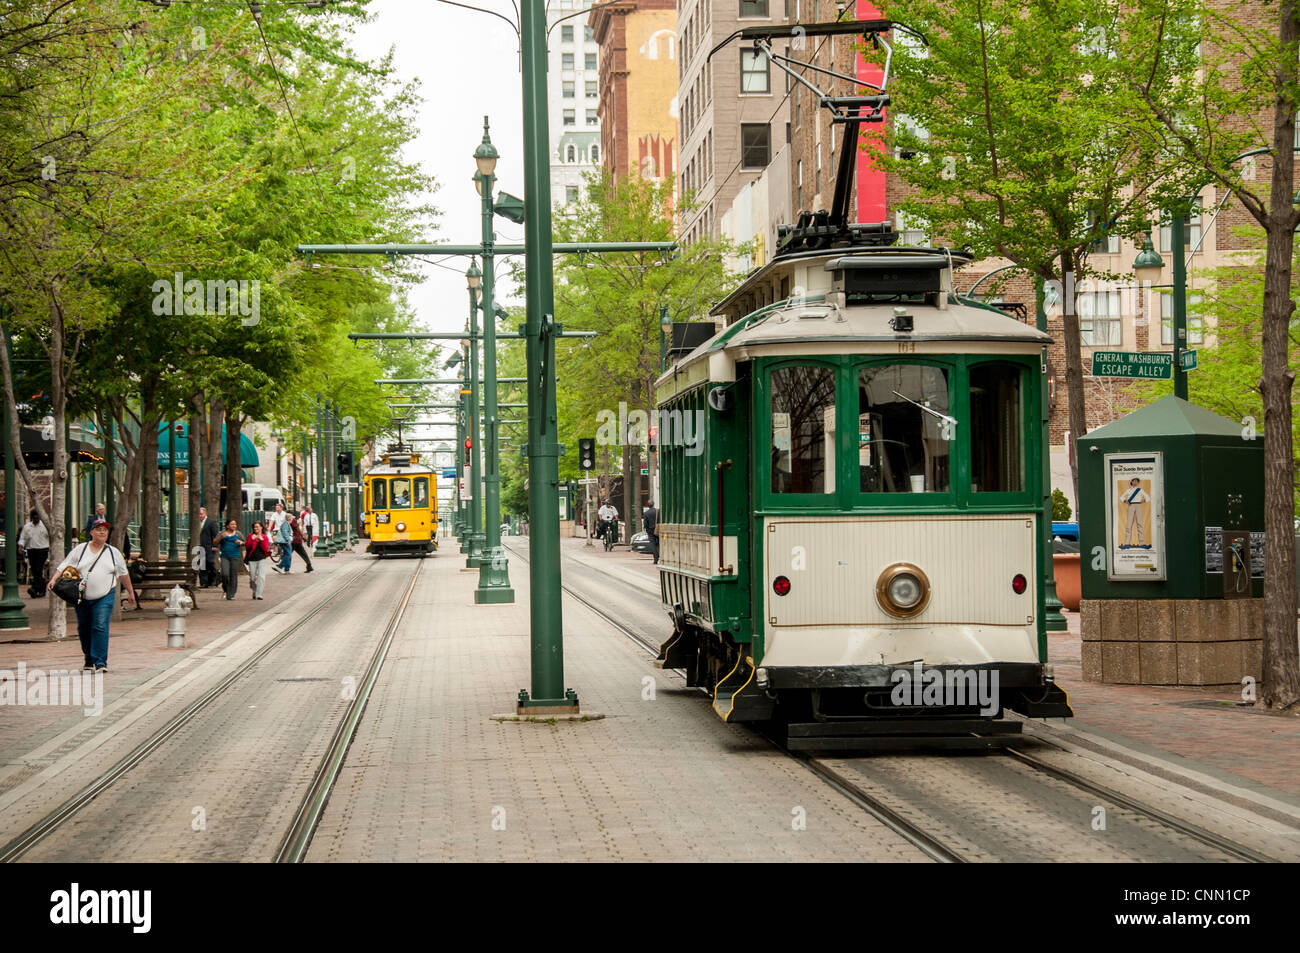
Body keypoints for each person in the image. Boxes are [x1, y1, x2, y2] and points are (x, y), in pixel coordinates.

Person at [47, 518, 137, 673]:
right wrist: (54, 579)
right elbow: (64, 565)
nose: (102, 532)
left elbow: (123, 574)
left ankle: (101, 662)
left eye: (105, 529)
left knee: (100, 625)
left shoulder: (113, 552)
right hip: (82, 597)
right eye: (98, 529)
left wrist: (130, 591)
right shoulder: (80, 550)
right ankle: (89, 659)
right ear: (91, 532)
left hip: (105, 595)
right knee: (84, 628)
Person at [18, 509, 50, 598]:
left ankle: (35, 588)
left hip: (42, 550)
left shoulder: (44, 526)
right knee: (35, 570)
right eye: (34, 516)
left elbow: (51, 537)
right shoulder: (27, 527)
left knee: (38, 569)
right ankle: (40, 589)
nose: (36, 518)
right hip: (31, 550)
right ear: (32, 517)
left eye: (37, 516)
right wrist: (20, 547)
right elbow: (23, 538)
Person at [218, 519, 245, 599]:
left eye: (235, 524)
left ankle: (231, 594)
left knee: (233, 575)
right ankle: (226, 589)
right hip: (224, 556)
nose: (234, 526)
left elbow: (244, 543)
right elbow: (215, 542)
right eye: (232, 524)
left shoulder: (238, 534)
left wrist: (240, 543)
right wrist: (220, 537)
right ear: (227, 526)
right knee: (225, 574)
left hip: (235, 556)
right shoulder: (222, 533)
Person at [243, 521, 271, 599]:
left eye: (257, 527)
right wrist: (252, 540)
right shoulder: (250, 536)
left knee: (261, 576)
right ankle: (254, 590)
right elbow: (247, 546)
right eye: (254, 527)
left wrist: (261, 540)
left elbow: (265, 548)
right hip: (252, 559)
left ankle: (259, 594)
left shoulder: (265, 537)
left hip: (261, 558)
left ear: (261, 527)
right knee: (252, 577)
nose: (256, 528)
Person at [1121, 477, 1150, 549]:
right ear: (1131, 482)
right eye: (1134, 481)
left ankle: (1142, 543)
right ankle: (1127, 544)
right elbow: (1121, 497)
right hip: (1131, 506)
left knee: (1140, 524)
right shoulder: (1128, 490)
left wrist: (1143, 501)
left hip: (1138, 506)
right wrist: (1125, 501)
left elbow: (1147, 497)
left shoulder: (1140, 490)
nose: (1136, 482)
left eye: (1137, 481)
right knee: (1129, 524)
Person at [197, 507, 220, 588]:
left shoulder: (211, 522)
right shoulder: (197, 523)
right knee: (202, 565)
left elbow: (215, 535)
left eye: (201, 514)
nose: (200, 516)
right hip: (200, 547)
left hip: (209, 547)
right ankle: (204, 582)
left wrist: (215, 546)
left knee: (210, 563)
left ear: (205, 514)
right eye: (199, 514)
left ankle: (215, 579)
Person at [642, 500, 659, 564]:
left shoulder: (646, 513)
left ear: (648, 505)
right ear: (653, 504)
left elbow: (645, 523)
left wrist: (647, 530)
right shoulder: (657, 511)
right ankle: (659, 555)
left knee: (653, 544)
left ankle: (655, 558)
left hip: (650, 531)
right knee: (659, 543)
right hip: (658, 530)